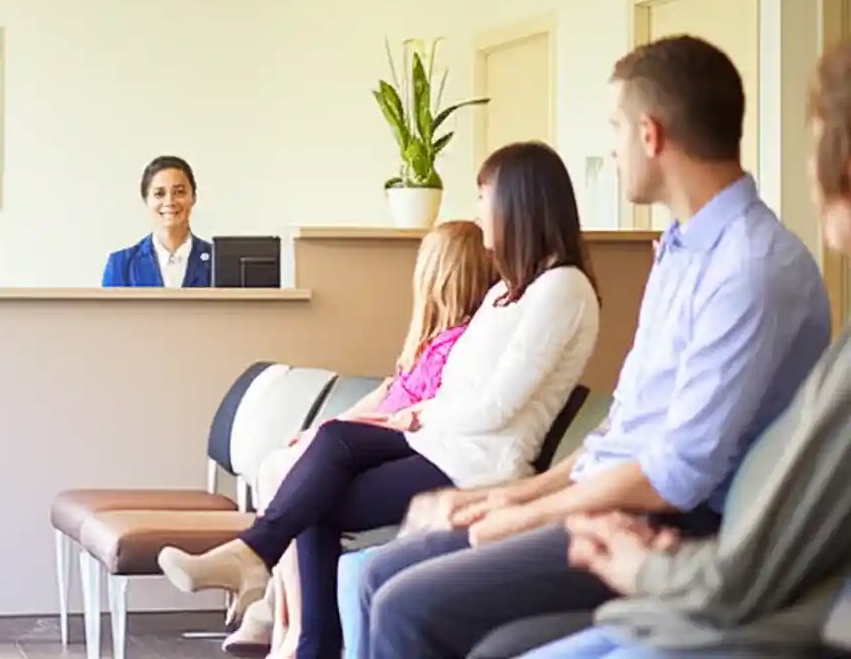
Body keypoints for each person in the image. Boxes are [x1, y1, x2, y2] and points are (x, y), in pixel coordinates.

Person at [355, 34, 832, 659]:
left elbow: (674, 477)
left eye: (614, 128)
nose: (610, 147)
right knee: (374, 577)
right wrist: (506, 497)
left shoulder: (749, 268)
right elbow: (620, 435)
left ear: (650, 133)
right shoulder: (683, 250)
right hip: (617, 496)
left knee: (404, 604)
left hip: (667, 525)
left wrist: (522, 517)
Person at [158, 140, 603, 659]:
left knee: (316, 501)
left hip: (479, 463)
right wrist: (423, 414)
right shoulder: (506, 291)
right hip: (440, 441)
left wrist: (420, 412)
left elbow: (497, 405)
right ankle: (262, 570)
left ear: (518, 203)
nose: (479, 211)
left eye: (484, 196)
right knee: (334, 440)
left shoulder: (563, 289)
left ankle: (278, 595)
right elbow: (461, 381)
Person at [514, 39, 851, 659]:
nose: (810, 172)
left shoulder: (755, 268)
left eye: (818, 141)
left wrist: (644, 566)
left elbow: (744, 569)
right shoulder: (679, 249)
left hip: (748, 602)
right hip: (720, 575)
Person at [224, 220, 496, 658]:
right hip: (383, 442)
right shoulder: (428, 344)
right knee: (296, 470)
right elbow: (388, 393)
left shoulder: (461, 347)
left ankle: (287, 625)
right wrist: (319, 433)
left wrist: (335, 435)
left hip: (414, 451)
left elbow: (419, 417)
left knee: (307, 488)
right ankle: (281, 618)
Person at [102, 155, 212, 287]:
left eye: (179, 192)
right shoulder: (121, 265)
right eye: (159, 194)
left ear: (193, 197)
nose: (170, 202)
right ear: (146, 200)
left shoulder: (218, 263)